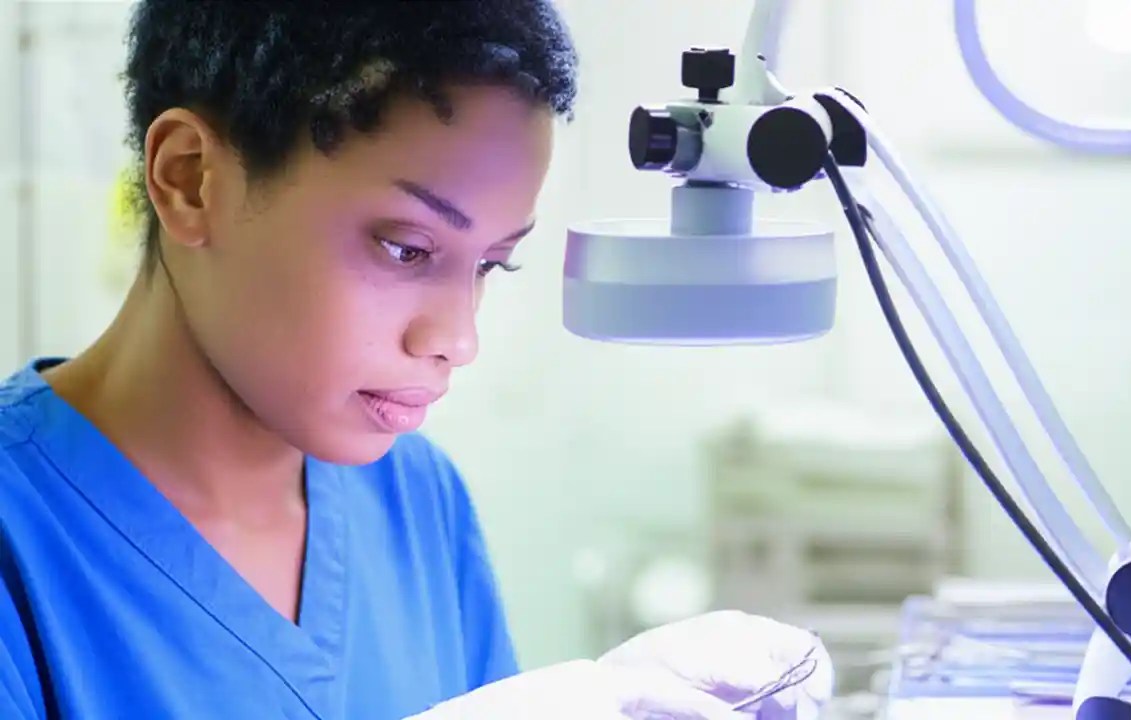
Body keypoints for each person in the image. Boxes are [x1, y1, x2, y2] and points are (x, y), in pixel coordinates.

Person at [0, 2, 833, 719]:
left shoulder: (415, 498)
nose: (456, 339)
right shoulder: (25, 545)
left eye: (491, 265)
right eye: (405, 249)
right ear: (190, 180)